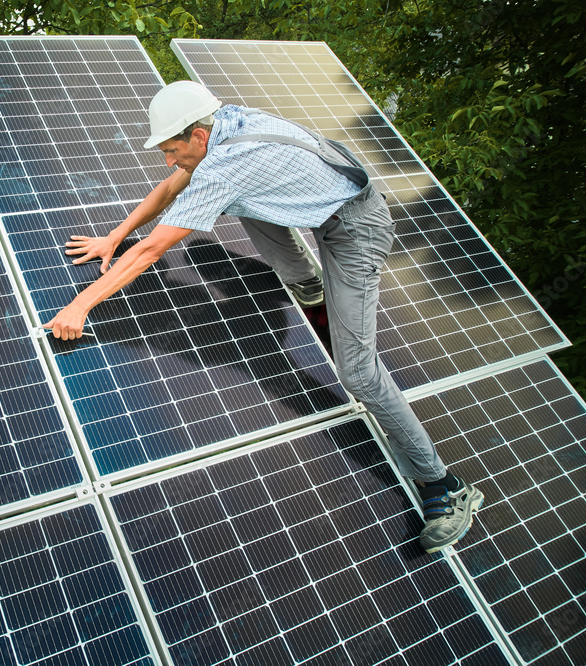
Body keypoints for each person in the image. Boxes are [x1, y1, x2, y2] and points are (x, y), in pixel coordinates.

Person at [44, 80, 482, 553]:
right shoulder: (226, 122)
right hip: (324, 209)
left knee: (357, 372)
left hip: (357, 231)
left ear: (197, 136)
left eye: (172, 149)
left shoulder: (226, 164)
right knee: (233, 200)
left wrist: (81, 305)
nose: (169, 160)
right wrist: (112, 237)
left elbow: (153, 250)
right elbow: (170, 188)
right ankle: (309, 285)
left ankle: (445, 486)